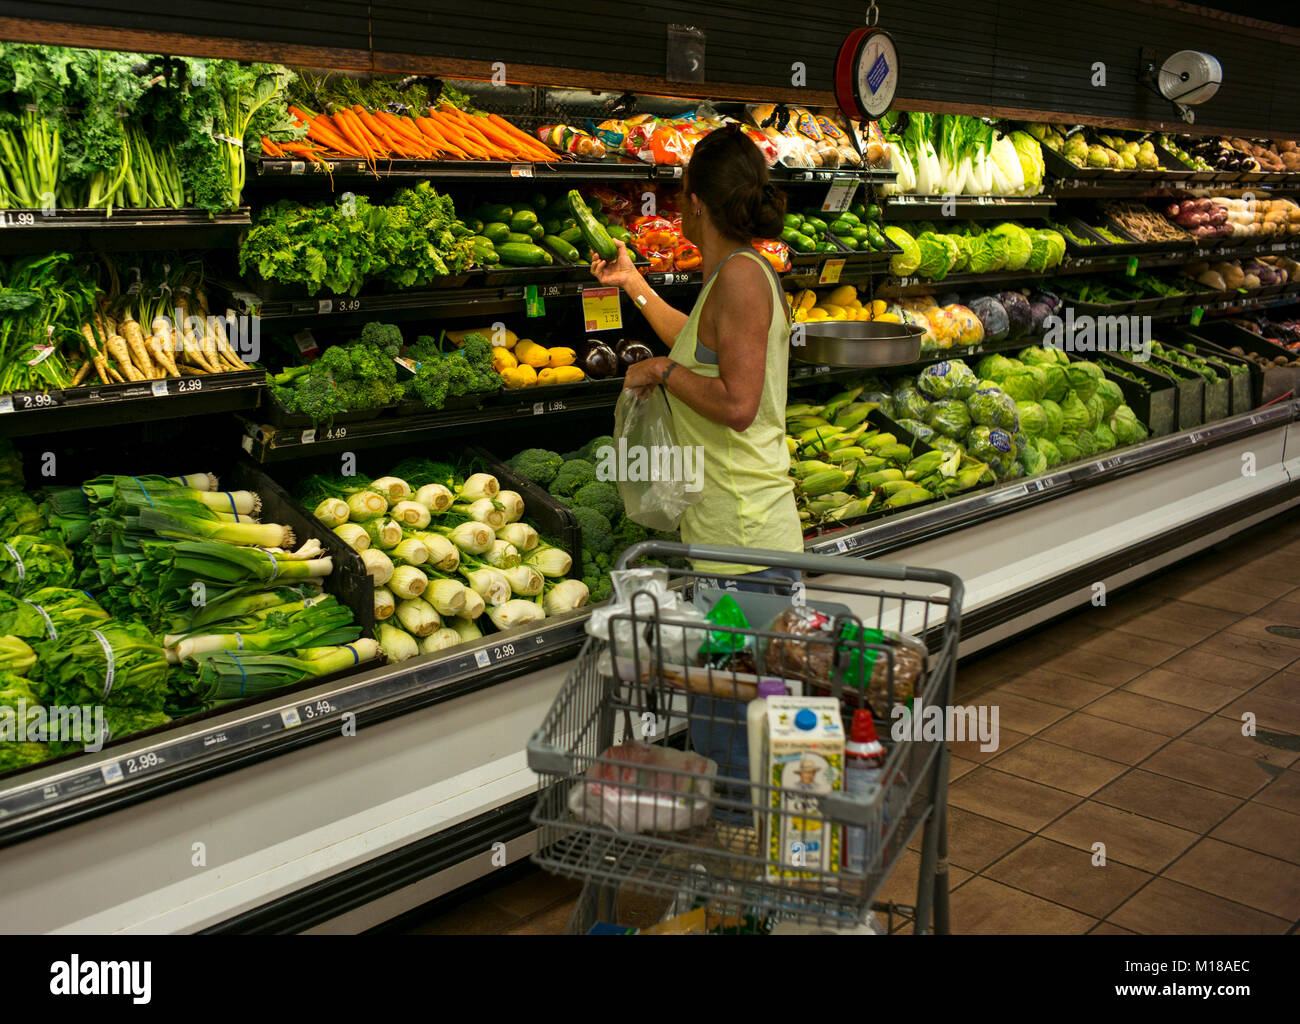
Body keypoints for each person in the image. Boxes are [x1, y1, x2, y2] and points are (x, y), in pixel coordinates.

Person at [589, 123, 803, 800]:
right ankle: (746, 880)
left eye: (680, 193)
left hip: (745, 543)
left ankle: (748, 882)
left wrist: (659, 374)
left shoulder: (741, 279)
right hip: (731, 541)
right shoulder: (732, 276)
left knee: (736, 734)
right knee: (736, 721)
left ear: (696, 203)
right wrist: (635, 287)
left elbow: (737, 401)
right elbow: (696, 346)